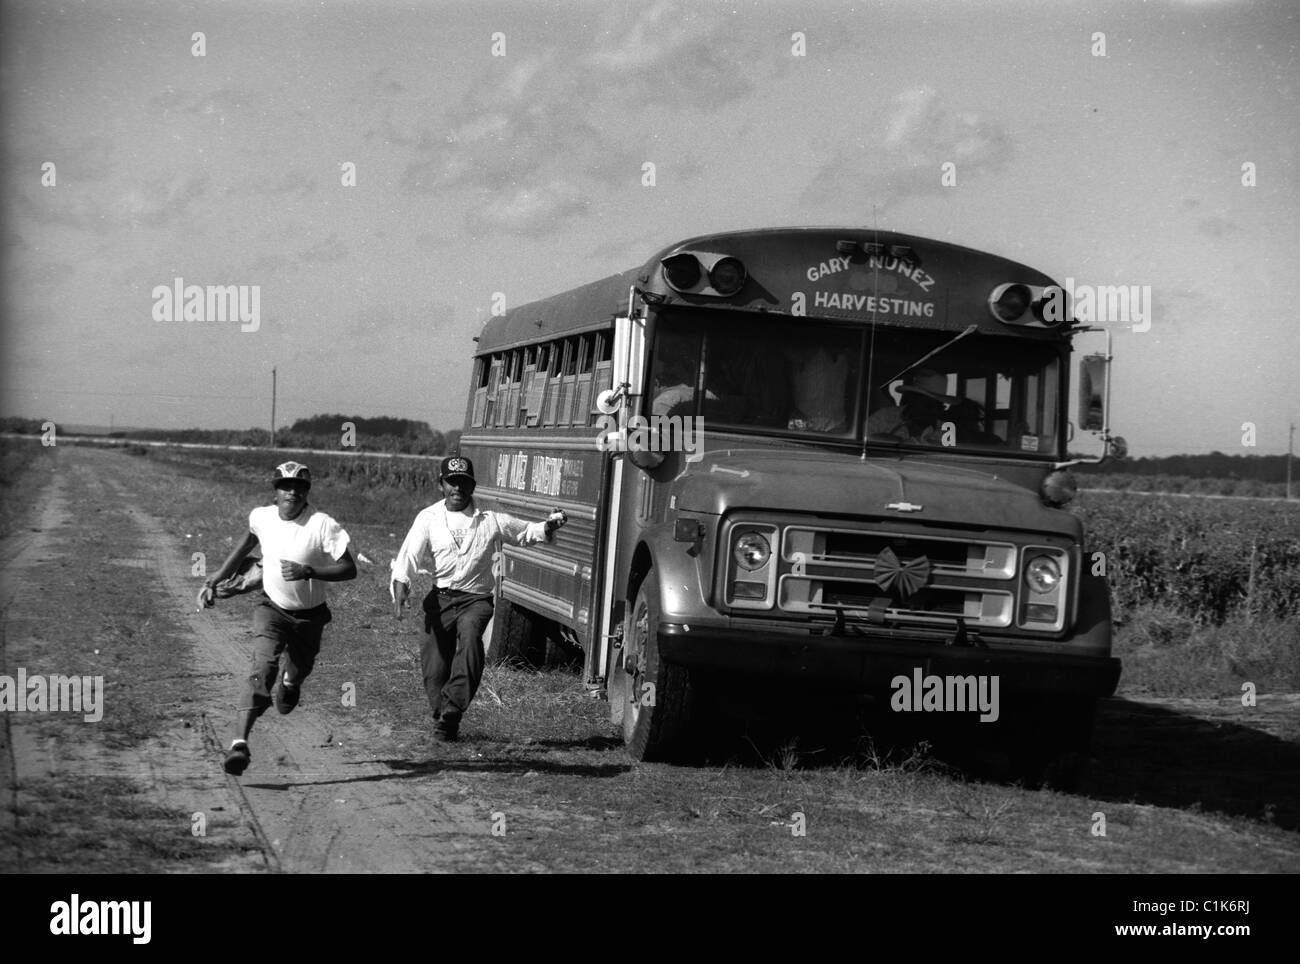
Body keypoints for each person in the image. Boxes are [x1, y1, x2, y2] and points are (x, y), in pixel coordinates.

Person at [389, 456, 567, 742]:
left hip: (476, 600)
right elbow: (409, 555)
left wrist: (548, 527)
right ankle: (442, 715)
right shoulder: (428, 517)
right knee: (434, 667)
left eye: (464, 483)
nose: (457, 488)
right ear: (441, 484)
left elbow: (524, 532)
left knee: (471, 642)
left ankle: (453, 710)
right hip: (440, 599)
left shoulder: (490, 517)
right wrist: (401, 585)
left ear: (472, 486)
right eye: (452, 482)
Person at [196, 461, 357, 776]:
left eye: (299, 487)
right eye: (285, 486)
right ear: (276, 491)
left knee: (299, 668)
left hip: (310, 617)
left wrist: (309, 571)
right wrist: (214, 578)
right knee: (261, 668)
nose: (292, 493)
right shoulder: (262, 517)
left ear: (306, 492)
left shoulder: (322, 525)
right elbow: (245, 546)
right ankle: (239, 744)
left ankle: (291, 681)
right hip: (272, 609)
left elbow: (349, 569)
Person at [867, 368, 961, 444]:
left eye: (939, 405)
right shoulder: (885, 416)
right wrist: (897, 442)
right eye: (929, 404)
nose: (933, 410)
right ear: (913, 398)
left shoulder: (944, 430)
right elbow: (862, 439)